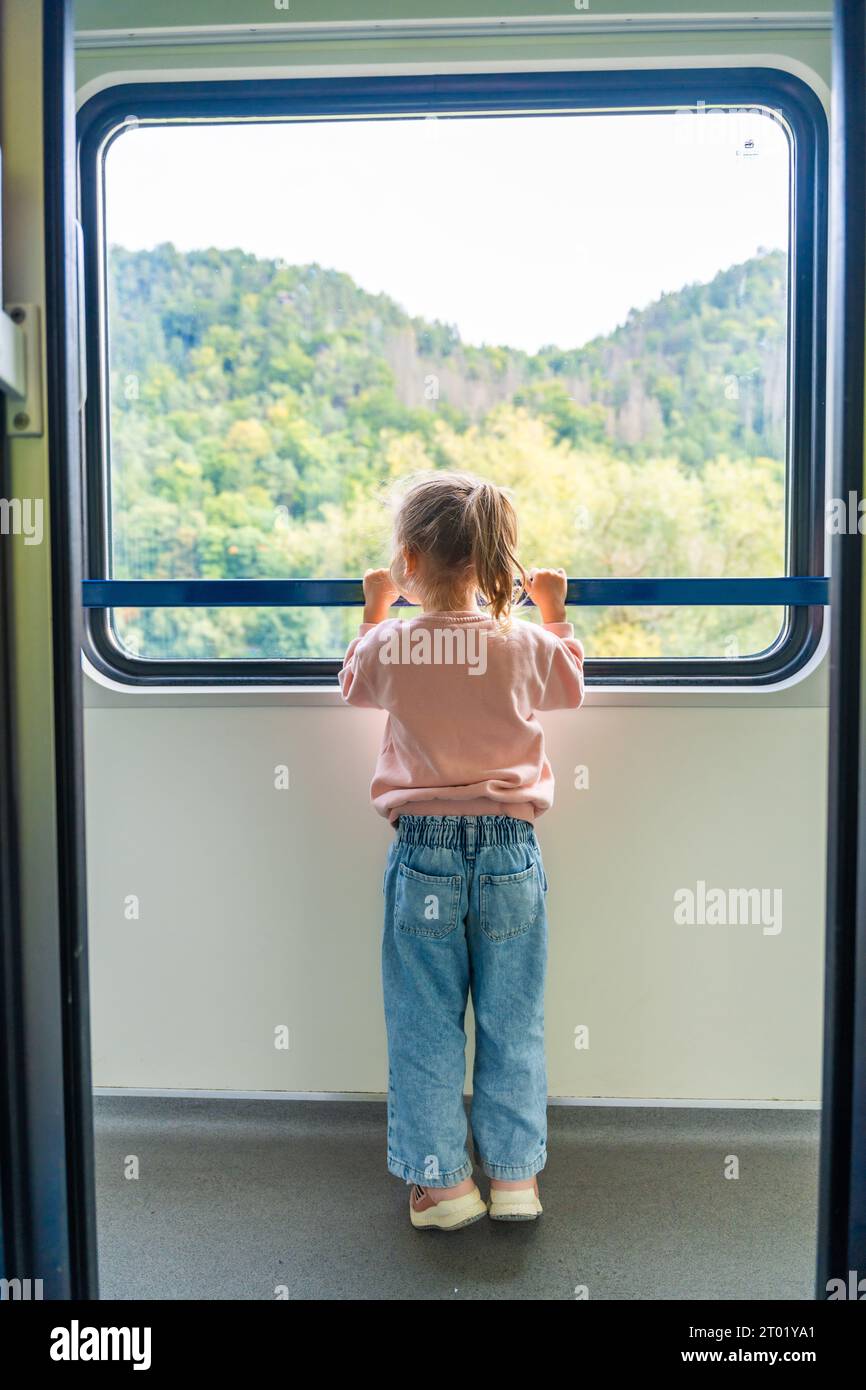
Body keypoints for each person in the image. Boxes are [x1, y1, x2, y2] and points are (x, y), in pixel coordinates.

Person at [340, 471, 585, 1230]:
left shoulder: (391, 641)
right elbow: (570, 686)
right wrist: (556, 612)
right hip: (511, 848)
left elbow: (354, 686)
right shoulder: (523, 641)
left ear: (409, 560)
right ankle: (515, 1181)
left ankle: (444, 1187)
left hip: (424, 855)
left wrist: (375, 609)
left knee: (425, 1019)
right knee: (514, 1017)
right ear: (497, 564)